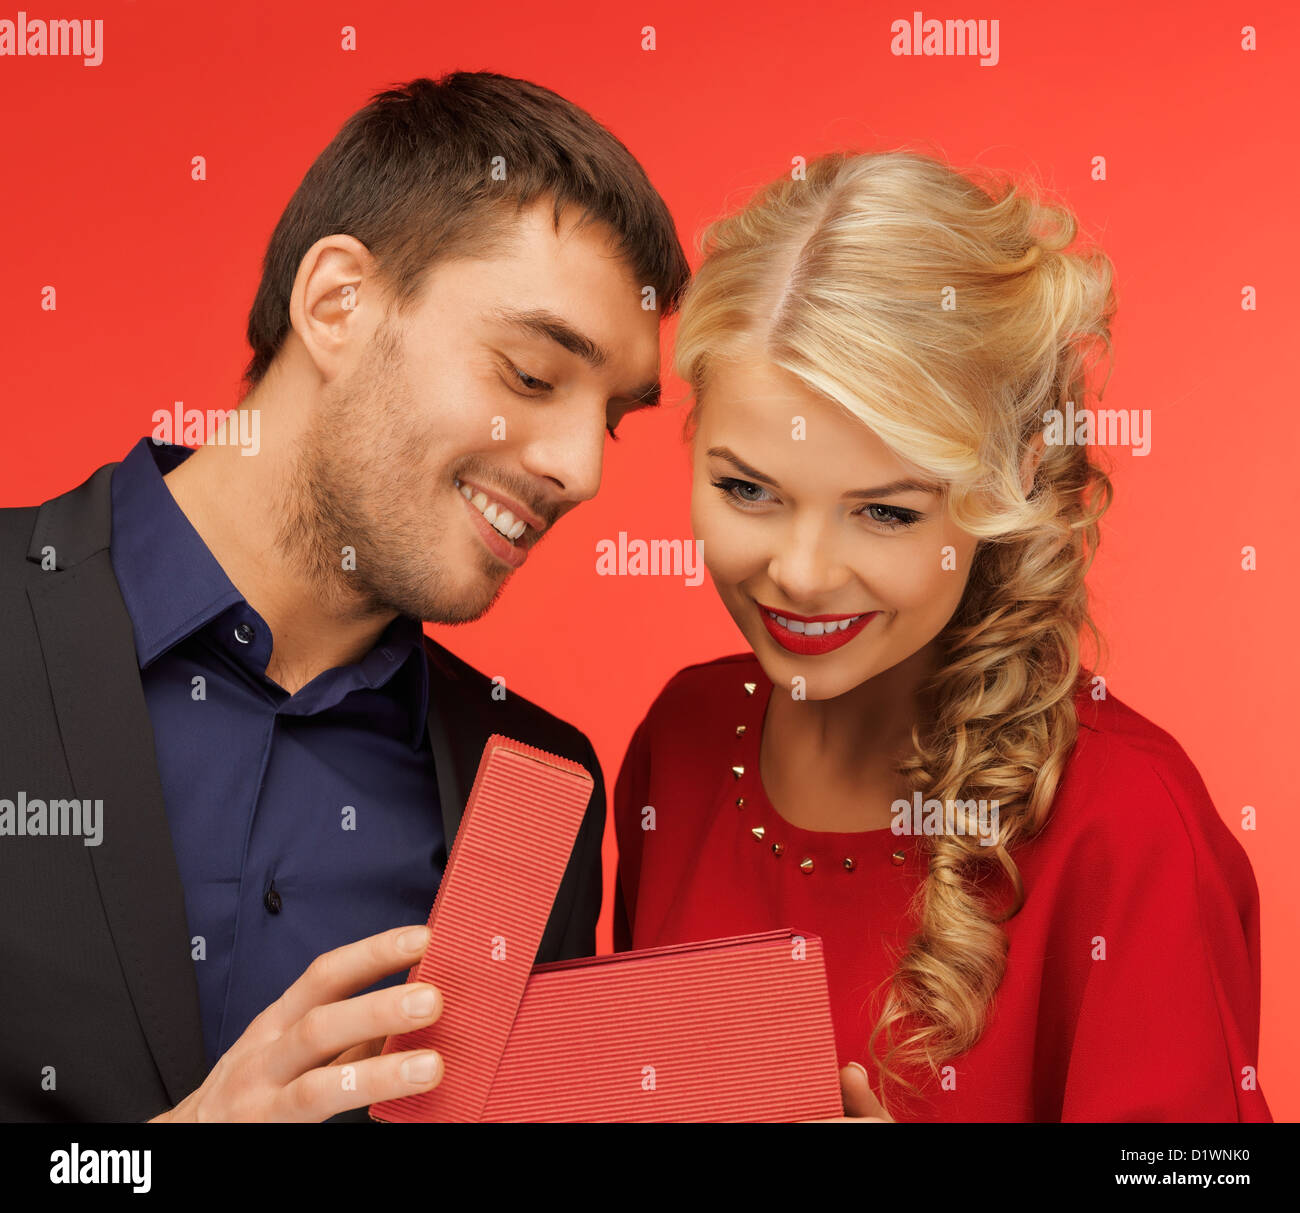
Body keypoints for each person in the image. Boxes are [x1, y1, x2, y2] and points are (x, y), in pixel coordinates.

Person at [0, 71, 690, 1122]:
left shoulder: (536, 793)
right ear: (336, 304)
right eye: (531, 375)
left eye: (611, 418)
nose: (580, 471)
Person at [613, 149, 1272, 1123]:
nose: (799, 570)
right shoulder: (684, 738)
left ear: (1006, 481)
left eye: (883, 512)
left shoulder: (1130, 824)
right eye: (746, 488)